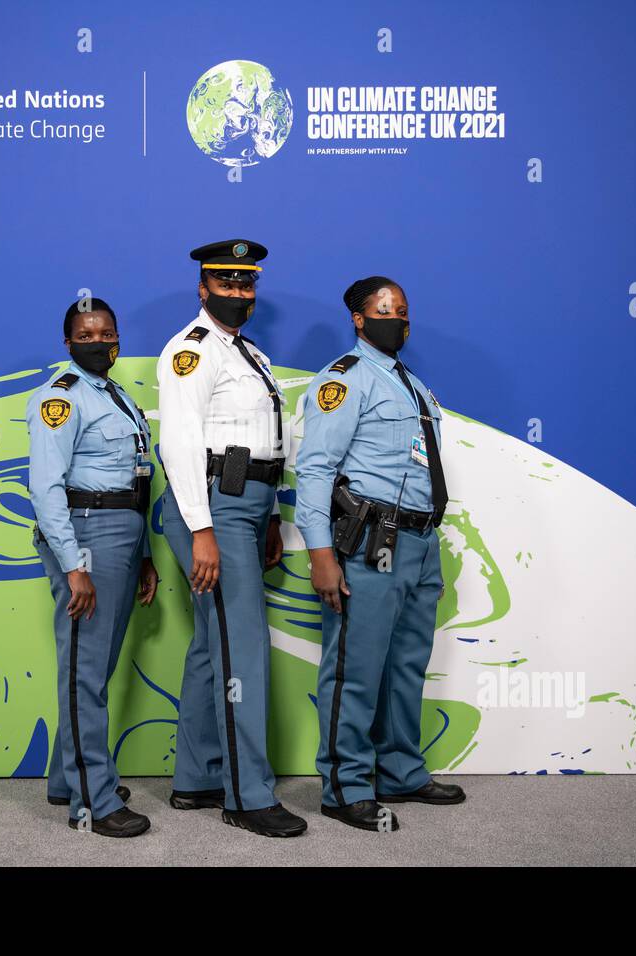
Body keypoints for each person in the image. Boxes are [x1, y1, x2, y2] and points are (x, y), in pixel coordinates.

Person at [295, 276, 467, 832]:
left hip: (419, 542)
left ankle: (399, 770)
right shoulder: (344, 382)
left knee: (405, 666)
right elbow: (317, 470)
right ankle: (344, 785)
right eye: (385, 309)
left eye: (404, 310)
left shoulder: (413, 385)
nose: (398, 318)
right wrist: (321, 554)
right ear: (359, 319)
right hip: (371, 543)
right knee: (355, 669)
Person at [156, 239, 307, 838]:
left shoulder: (252, 355)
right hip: (211, 505)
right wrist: (203, 530)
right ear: (203, 287)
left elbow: (267, 443)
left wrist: (270, 517)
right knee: (241, 646)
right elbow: (182, 443)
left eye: (246, 284)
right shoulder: (190, 352)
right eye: (226, 283)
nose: (238, 293)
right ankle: (246, 795)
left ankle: (196, 777)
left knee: (211, 646)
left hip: (248, 505)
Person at [27, 296, 159, 838]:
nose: (99, 341)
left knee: (94, 666)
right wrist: (73, 563)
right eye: (86, 334)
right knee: (85, 670)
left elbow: (138, 478)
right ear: (68, 342)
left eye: (106, 332)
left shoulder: (117, 397)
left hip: (123, 535)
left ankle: (68, 776)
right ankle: (93, 799)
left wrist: (146, 552)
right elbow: (46, 486)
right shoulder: (60, 399)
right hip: (86, 535)